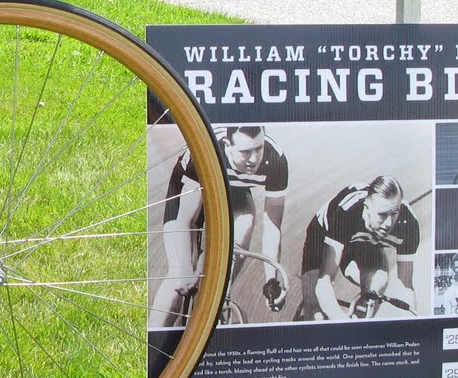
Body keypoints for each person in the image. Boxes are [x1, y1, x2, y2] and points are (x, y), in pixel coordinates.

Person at [148, 125, 288, 327]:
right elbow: (186, 221)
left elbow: (273, 226)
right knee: (179, 276)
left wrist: (271, 280)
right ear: (228, 146)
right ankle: (155, 338)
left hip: (234, 194)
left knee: (226, 267)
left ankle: (208, 316)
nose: (254, 159)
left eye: (259, 148)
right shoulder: (205, 150)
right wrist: (188, 269)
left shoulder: (276, 160)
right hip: (191, 192)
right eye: (245, 152)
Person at [297, 175, 421, 321]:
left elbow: (406, 286)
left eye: (394, 214)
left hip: (364, 244)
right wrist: (340, 318)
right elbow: (325, 280)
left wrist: (410, 324)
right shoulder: (348, 212)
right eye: (382, 214)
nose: (389, 223)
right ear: (366, 207)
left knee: (377, 284)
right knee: (315, 312)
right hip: (324, 236)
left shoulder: (409, 224)